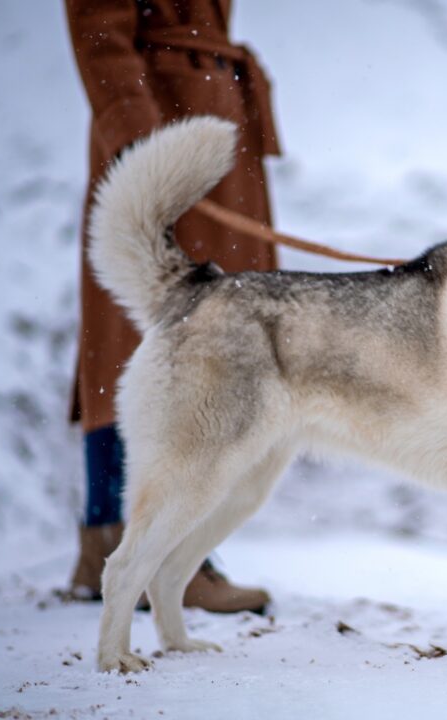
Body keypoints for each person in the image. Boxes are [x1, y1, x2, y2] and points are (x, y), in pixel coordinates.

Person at [64, 0, 281, 613]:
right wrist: (141, 140)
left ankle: (120, 538)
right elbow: (98, 29)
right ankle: (147, 548)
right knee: (151, 343)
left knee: (208, 339)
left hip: (208, 125)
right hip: (166, 128)